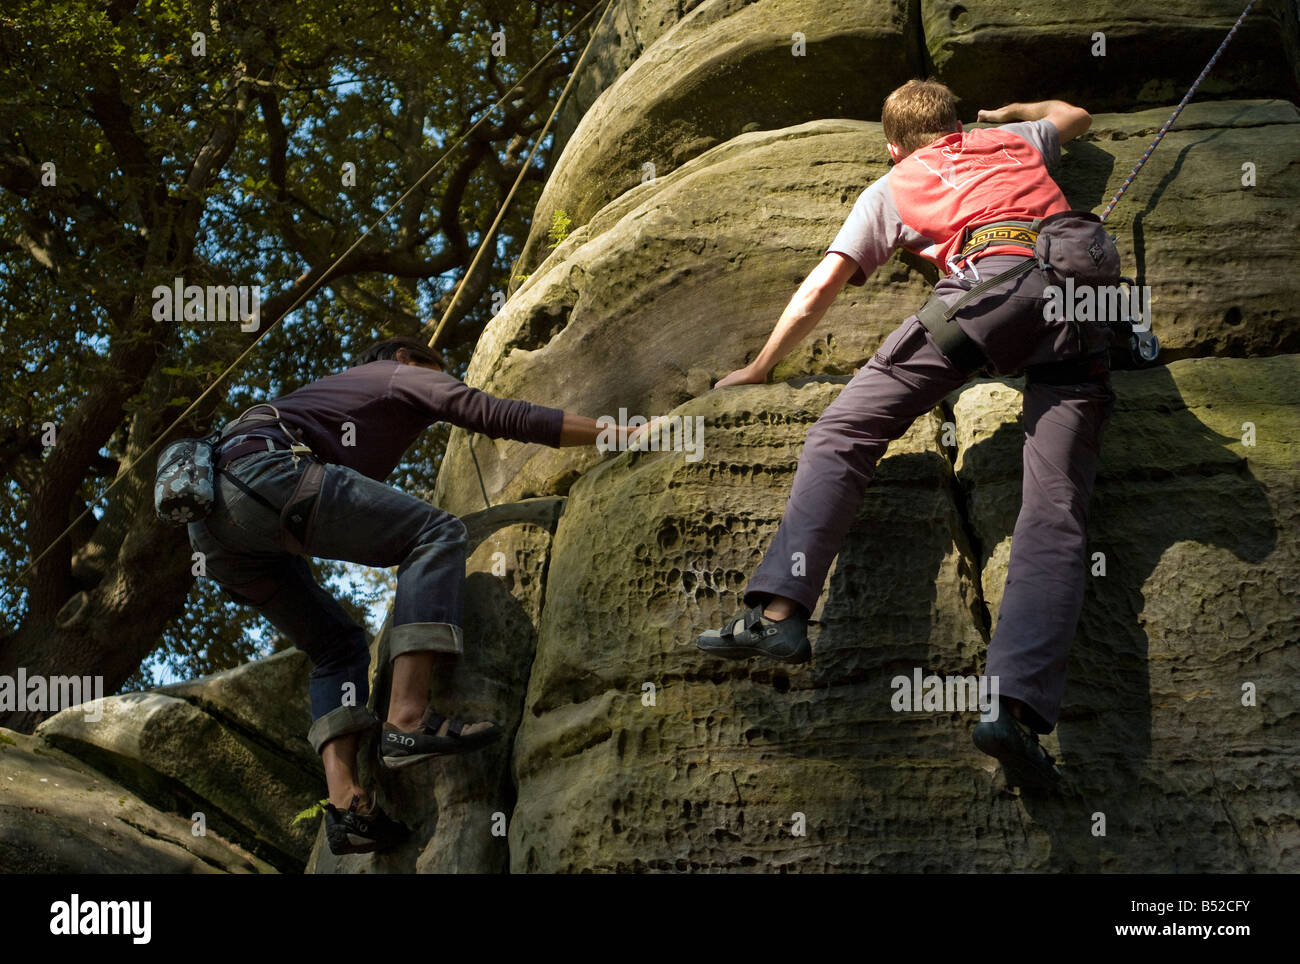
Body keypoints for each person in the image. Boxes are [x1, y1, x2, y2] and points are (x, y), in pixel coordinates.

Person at [696, 80, 1117, 790]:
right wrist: (1009, 113)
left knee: (844, 431)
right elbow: (1075, 114)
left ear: (894, 145)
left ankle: (777, 613)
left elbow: (821, 287)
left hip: (989, 292)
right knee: (1057, 511)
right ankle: (1009, 707)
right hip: (1083, 308)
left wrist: (762, 366)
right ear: (955, 122)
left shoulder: (893, 182)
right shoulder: (1012, 141)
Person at [188, 335, 626, 854]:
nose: (448, 381)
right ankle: (408, 718)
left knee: (335, 648)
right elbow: (495, 413)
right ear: (405, 361)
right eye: (440, 371)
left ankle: (346, 805)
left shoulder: (334, 402)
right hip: (267, 478)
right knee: (435, 534)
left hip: (210, 527)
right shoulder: (394, 376)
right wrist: (611, 432)